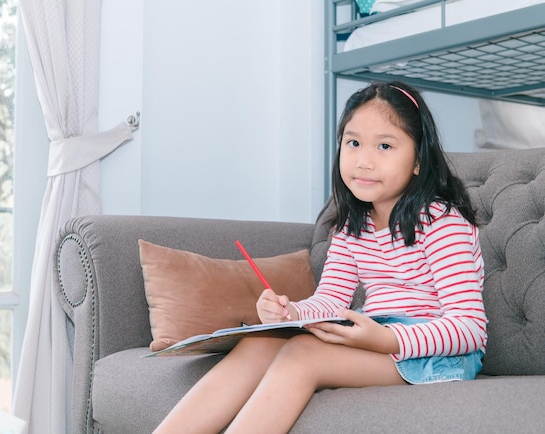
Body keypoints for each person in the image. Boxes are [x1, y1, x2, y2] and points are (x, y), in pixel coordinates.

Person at [153, 81, 487, 434]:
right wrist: (291, 312)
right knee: (259, 341)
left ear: (418, 161)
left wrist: (386, 340)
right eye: (353, 143)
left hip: (435, 356)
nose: (364, 160)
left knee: (302, 355)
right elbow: (330, 299)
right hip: (376, 335)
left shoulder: (441, 220)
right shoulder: (351, 226)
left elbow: (469, 329)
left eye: (385, 146)